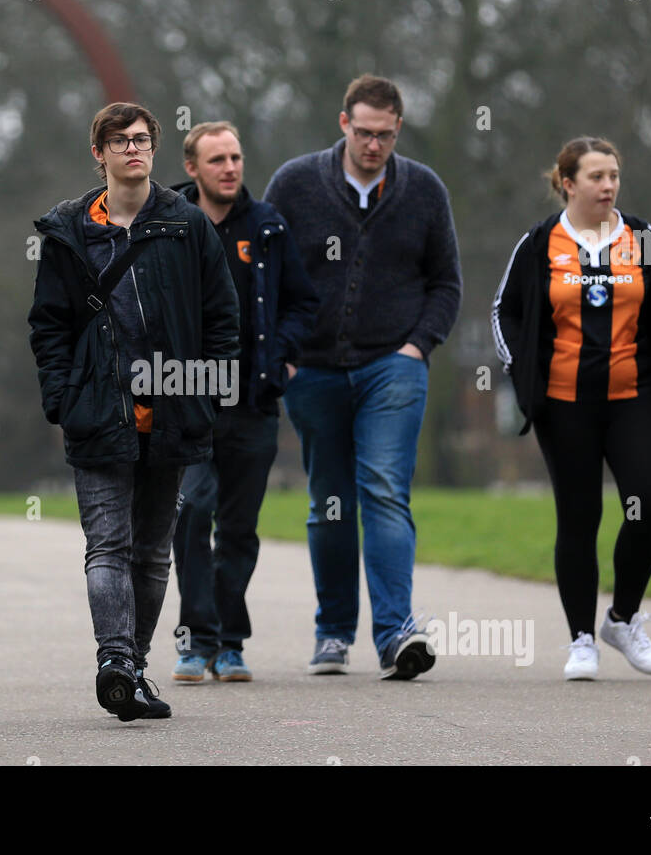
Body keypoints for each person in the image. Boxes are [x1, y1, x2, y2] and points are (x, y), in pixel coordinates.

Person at [28, 102, 239, 721]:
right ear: (99, 154)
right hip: (98, 410)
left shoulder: (186, 224)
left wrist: (207, 395)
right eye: (119, 142)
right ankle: (116, 660)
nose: (132, 150)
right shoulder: (69, 232)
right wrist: (62, 399)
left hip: (173, 410)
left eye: (142, 140)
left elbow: (222, 318)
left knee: (151, 551)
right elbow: (49, 327)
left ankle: (132, 669)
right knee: (107, 546)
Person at [264, 74, 462, 679]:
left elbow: (446, 282)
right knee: (329, 500)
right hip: (313, 370)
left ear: (398, 129)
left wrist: (417, 346)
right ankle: (332, 632)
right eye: (364, 133)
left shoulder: (424, 190)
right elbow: (264, 276)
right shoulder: (295, 184)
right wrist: (285, 354)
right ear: (343, 123)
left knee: (382, 490)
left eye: (386, 135)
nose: (374, 145)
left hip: (391, 366)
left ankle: (396, 633)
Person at [491, 136, 651, 680]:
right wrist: (523, 372)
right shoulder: (538, 244)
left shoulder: (648, 238)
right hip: (565, 406)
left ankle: (623, 619)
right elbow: (503, 312)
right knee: (579, 519)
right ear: (568, 183)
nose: (608, 186)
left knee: (647, 506)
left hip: (635, 400)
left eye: (614, 176)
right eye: (596, 177)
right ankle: (581, 639)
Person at [168, 121, 318, 683]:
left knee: (238, 529)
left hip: (253, 401)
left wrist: (284, 357)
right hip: (187, 397)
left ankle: (229, 641)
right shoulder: (168, 224)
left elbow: (303, 302)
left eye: (235, 158)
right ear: (193, 169)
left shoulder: (269, 225)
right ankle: (196, 639)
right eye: (217, 160)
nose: (230, 168)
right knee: (192, 511)